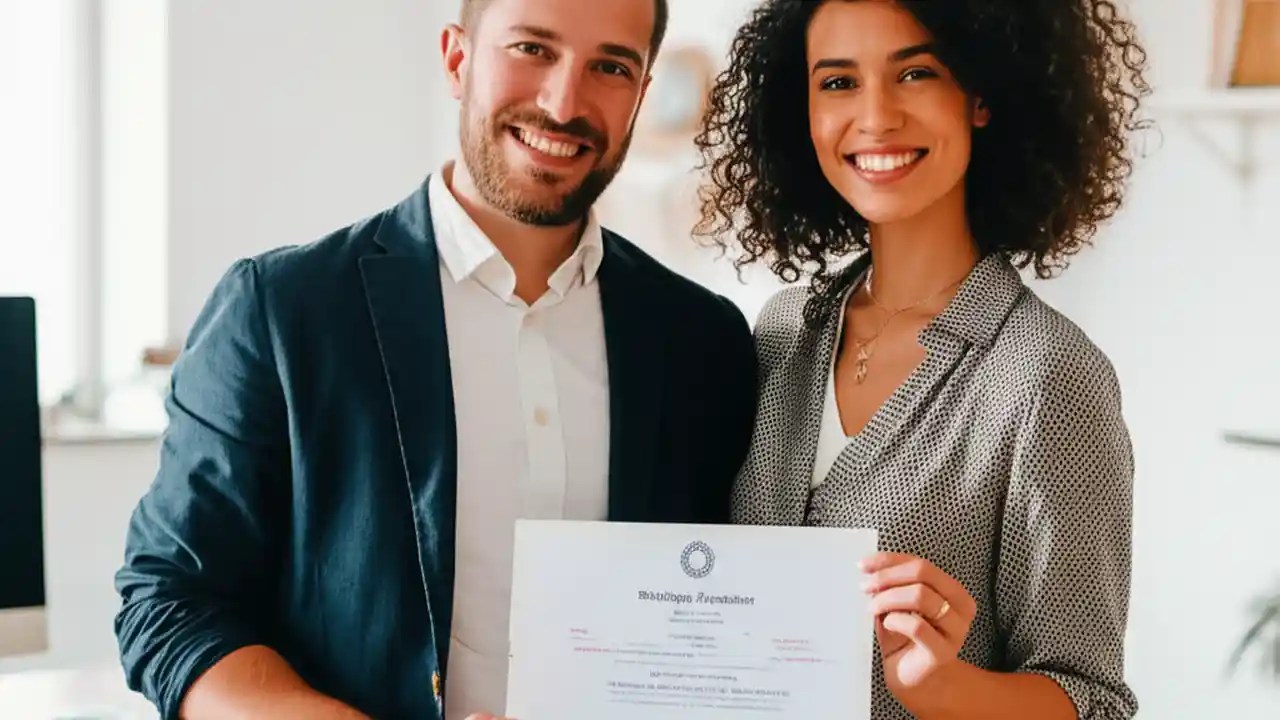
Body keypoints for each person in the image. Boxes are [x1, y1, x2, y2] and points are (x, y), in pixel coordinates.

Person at [113, 0, 757, 718]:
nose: (563, 101)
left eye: (609, 66)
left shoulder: (706, 342)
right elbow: (167, 602)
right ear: (457, 60)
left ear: (640, 94)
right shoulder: (281, 310)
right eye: (532, 49)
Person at [696, 0, 1150, 718]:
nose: (874, 118)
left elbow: (1094, 701)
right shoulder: (784, 333)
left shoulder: (1048, 377)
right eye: (838, 83)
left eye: (915, 72)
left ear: (981, 97)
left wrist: (944, 688)